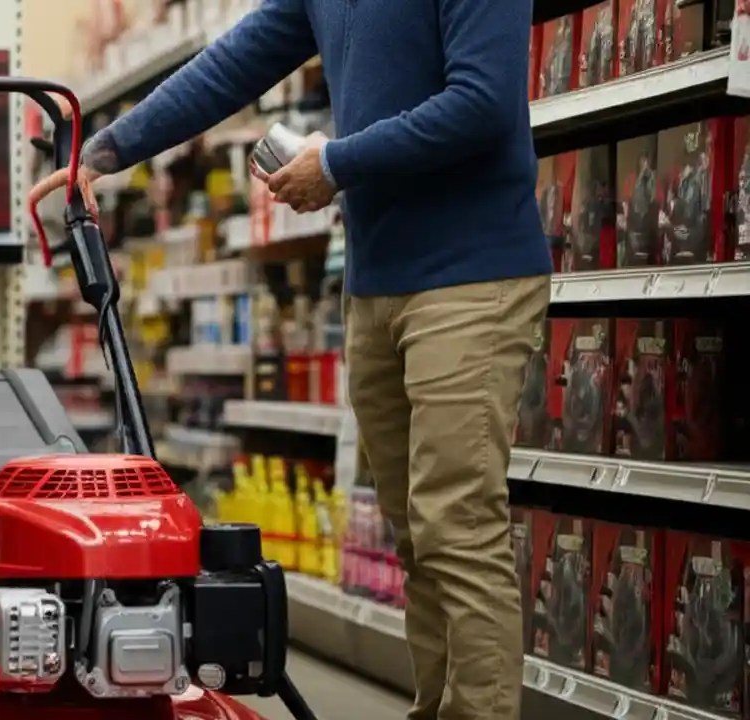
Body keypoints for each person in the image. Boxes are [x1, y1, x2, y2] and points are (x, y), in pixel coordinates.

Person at [30, 1, 552, 718]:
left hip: (472, 277)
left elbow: (483, 103)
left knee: (457, 529)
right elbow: (234, 61)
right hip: (376, 285)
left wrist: (335, 163)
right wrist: (108, 151)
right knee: (417, 536)